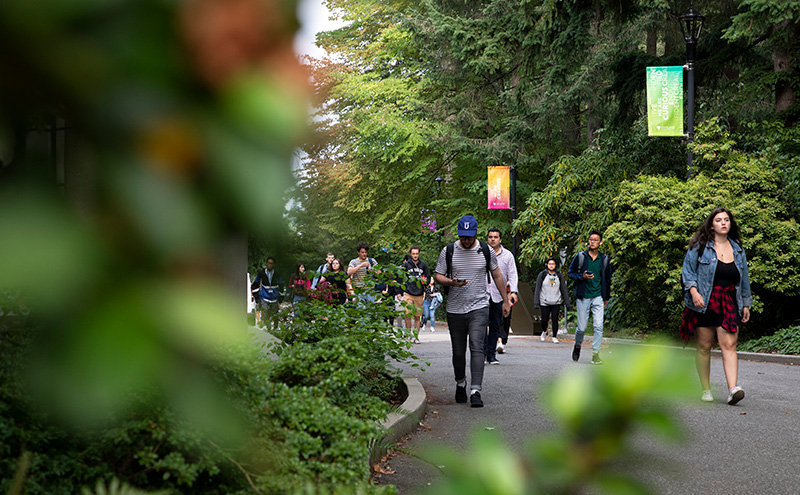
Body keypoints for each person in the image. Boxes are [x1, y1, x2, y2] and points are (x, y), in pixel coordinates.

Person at [435, 215, 511, 408]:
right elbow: (438, 276)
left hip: (479, 306)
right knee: (458, 351)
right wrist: (451, 282)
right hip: (455, 309)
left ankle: (476, 390)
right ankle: (460, 383)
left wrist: (505, 300)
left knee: (477, 346)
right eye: (463, 236)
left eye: (469, 236)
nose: (466, 240)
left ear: (476, 233)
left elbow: (497, 275)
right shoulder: (449, 251)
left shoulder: (486, 250)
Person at [680, 207, 752, 405]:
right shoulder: (700, 246)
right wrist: (694, 292)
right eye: (719, 220)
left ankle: (733, 389)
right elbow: (688, 272)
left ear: (730, 223)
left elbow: (744, 279)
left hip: (729, 301)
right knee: (704, 347)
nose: (723, 223)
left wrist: (746, 303)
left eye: (726, 220)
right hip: (704, 302)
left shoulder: (737, 249)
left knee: (729, 345)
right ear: (711, 225)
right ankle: (706, 389)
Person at [567, 230, 613, 365]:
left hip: (598, 296)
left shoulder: (604, 259)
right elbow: (570, 273)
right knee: (582, 327)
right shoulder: (580, 257)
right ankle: (577, 345)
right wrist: (582, 276)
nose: (592, 242)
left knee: (599, 326)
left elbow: (608, 279)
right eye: (591, 239)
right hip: (583, 296)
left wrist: (606, 296)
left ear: (601, 242)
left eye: (595, 240)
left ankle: (596, 354)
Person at [484, 228, 519, 365]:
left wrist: (514, 292)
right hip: (483, 294)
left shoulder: (508, 255)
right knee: (481, 325)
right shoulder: (482, 253)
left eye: (495, 237)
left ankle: (491, 355)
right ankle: (482, 354)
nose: (493, 239)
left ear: (500, 239)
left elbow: (513, 274)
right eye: (490, 237)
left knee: (495, 325)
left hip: (499, 295)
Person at [534, 257, 571, 343]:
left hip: (556, 301)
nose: (551, 266)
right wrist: (536, 302)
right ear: (547, 265)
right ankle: (544, 331)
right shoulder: (542, 275)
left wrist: (567, 303)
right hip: (544, 301)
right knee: (544, 320)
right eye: (550, 264)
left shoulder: (559, 275)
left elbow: (563, 289)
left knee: (555, 319)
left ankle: (554, 336)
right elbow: (537, 288)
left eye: (553, 264)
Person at [401, 246, 431, 336]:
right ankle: (408, 335)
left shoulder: (423, 265)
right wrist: (399, 292)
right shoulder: (406, 265)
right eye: (413, 254)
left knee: (417, 316)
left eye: (417, 254)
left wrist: (426, 282)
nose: (415, 255)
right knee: (407, 314)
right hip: (408, 293)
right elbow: (400, 277)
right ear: (410, 254)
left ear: (419, 254)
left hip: (419, 294)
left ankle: (415, 336)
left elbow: (428, 277)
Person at [251, 257, 283, 329]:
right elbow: (255, 284)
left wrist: (280, 298)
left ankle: (275, 328)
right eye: (268, 263)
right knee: (265, 314)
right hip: (264, 298)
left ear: (273, 264)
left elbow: (281, 285)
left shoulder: (277, 274)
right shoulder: (261, 273)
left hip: (274, 298)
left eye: (271, 263)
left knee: (275, 315)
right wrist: (256, 297)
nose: (270, 265)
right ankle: (268, 328)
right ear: (266, 263)